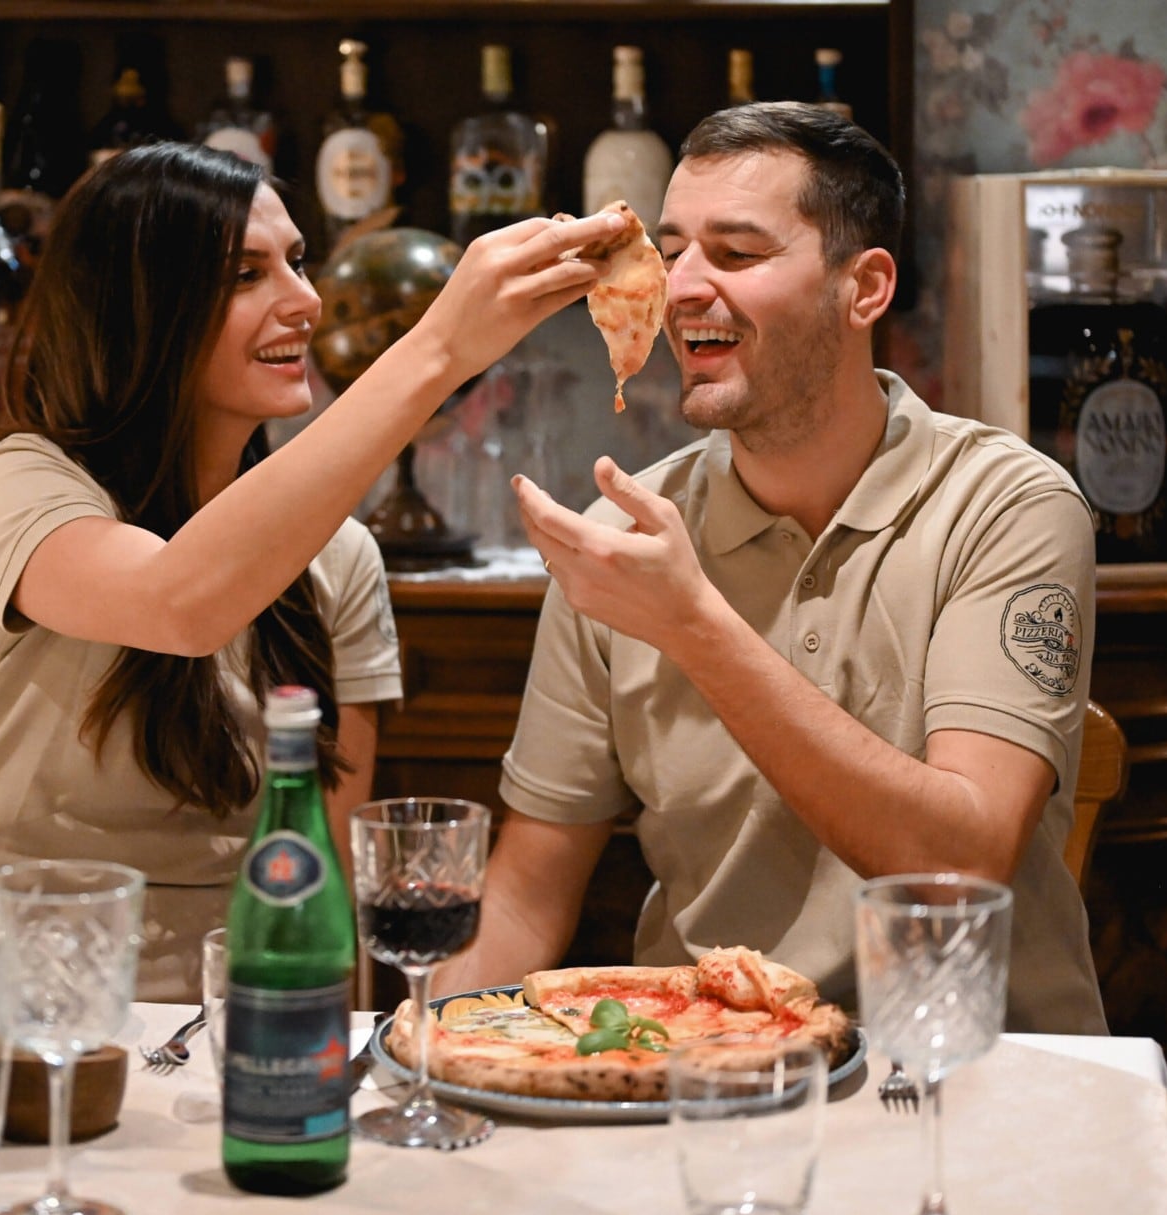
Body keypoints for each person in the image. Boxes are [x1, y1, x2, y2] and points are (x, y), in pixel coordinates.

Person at [442, 103, 1108, 1034]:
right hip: (708, 1068)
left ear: (864, 288)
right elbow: (523, 901)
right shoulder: (622, 538)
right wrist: (411, 1049)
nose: (680, 287)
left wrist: (691, 626)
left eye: (737, 253)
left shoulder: (1006, 506)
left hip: (971, 1070)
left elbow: (959, 866)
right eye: (672, 250)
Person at [0, 142, 626, 1002]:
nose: (306, 301)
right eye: (245, 275)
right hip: (8, 997)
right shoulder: (18, 485)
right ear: (138, 307)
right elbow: (179, 603)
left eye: (297, 262)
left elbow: (323, 880)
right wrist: (439, 347)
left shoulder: (340, 558)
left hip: (234, 1012)